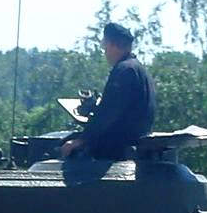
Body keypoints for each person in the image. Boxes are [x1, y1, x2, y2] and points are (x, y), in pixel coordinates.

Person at [60, 23, 156, 161]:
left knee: (65, 148)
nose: (104, 51)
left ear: (112, 45)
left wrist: (82, 140)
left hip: (117, 148)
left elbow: (110, 112)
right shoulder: (138, 69)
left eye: (105, 46)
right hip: (134, 142)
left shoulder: (124, 70)